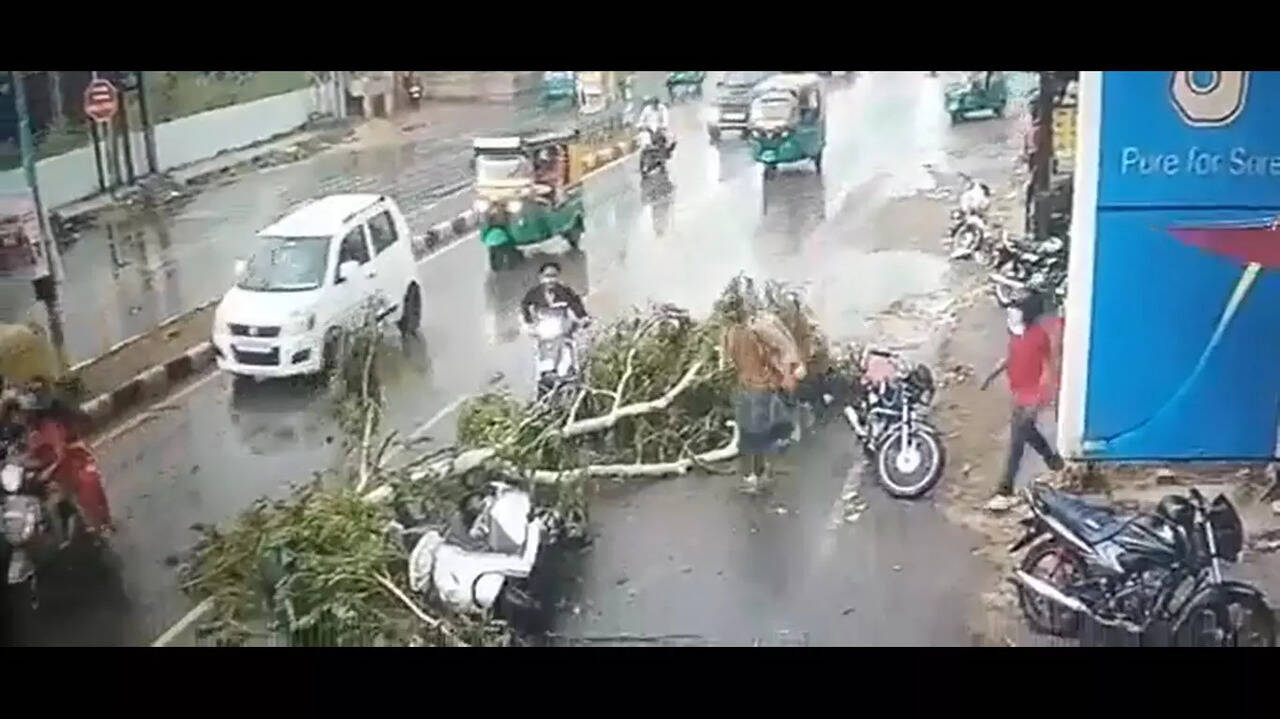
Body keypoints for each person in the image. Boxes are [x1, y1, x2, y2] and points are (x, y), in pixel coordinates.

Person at [980, 293, 1064, 512]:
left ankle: (1005, 490)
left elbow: (1048, 367)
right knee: (1028, 433)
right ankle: (1055, 463)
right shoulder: (1017, 333)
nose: (1013, 313)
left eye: (1018, 310)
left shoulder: (1039, 336)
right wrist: (992, 375)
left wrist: (1039, 399)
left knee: (1017, 441)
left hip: (1032, 395)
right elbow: (1011, 357)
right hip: (1019, 393)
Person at [718, 292, 806, 492]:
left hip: (752, 387)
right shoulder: (744, 332)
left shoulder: (744, 331)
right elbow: (767, 355)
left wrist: (784, 374)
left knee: (752, 433)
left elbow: (727, 363)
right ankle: (759, 473)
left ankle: (754, 475)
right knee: (754, 433)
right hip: (753, 387)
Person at [19, 387, 112, 541]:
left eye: (27, 412)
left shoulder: (50, 427)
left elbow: (59, 453)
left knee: (86, 486)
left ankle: (98, 524)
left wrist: (48, 471)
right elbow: (31, 452)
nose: (24, 416)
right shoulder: (31, 432)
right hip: (49, 468)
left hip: (67, 464)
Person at [520, 261, 589, 328]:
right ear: (541, 277)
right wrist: (529, 321)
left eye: (554, 276)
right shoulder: (534, 293)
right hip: (541, 328)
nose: (550, 280)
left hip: (563, 327)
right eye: (547, 276)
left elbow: (576, 305)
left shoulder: (566, 291)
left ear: (558, 276)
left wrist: (583, 318)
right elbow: (525, 306)